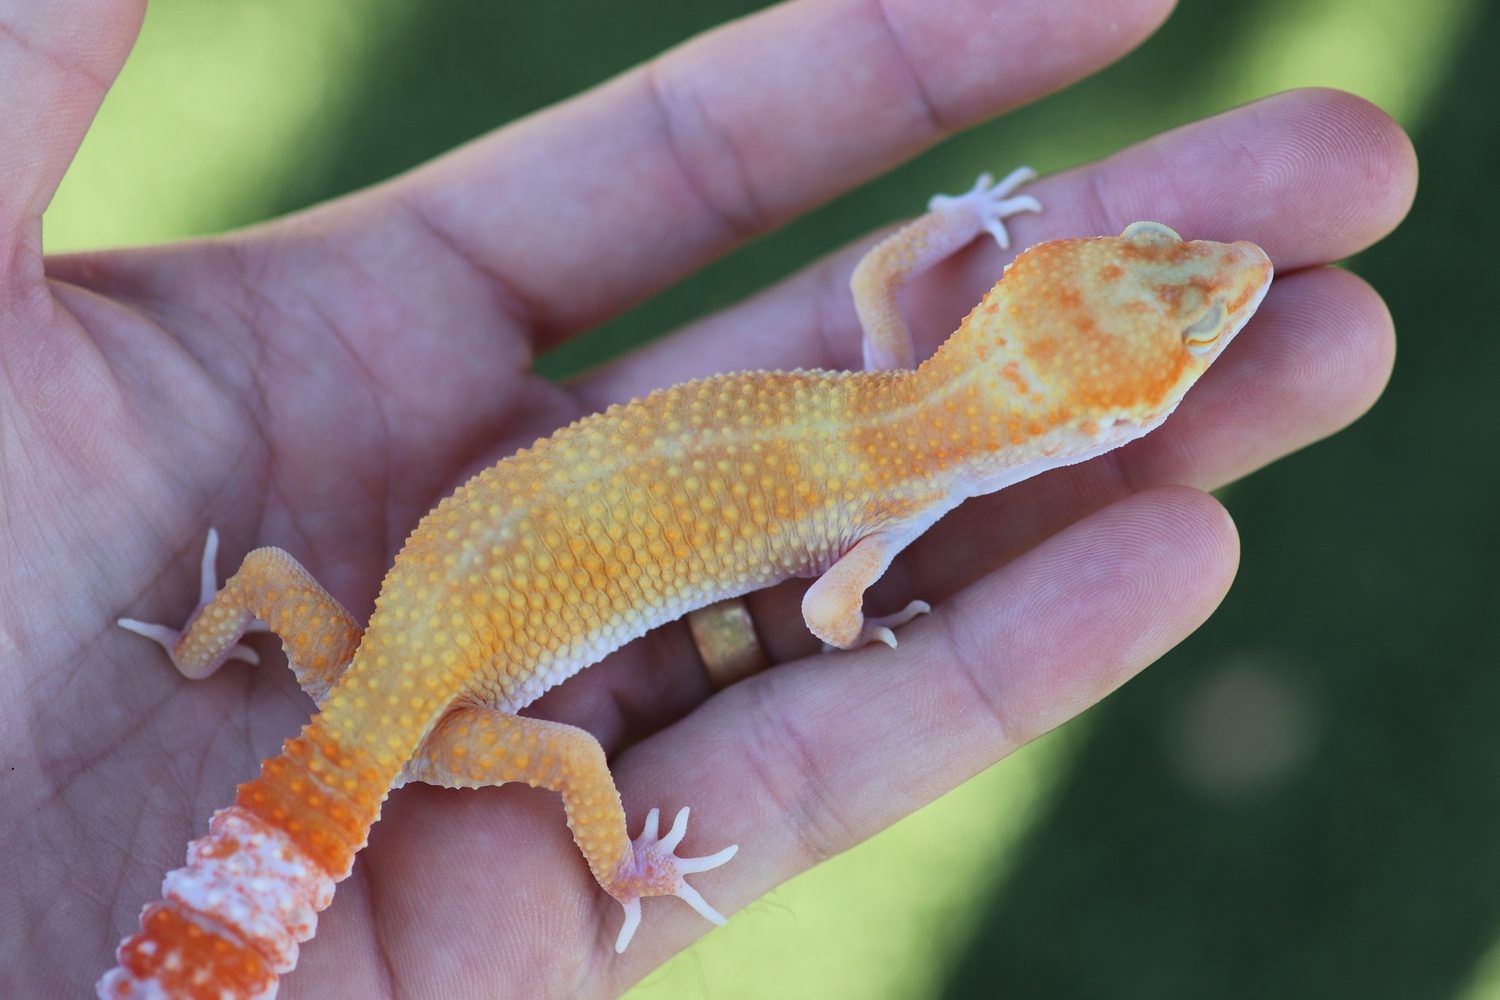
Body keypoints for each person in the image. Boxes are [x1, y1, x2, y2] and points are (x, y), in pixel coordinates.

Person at [0, 0, 1413, 995]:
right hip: (417, 718)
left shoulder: (897, 390)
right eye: (1194, 322)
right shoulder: (899, 485)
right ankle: (619, 877)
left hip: (393, 639)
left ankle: (204, 631)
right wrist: (643, 855)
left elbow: (876, 288)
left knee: (269, 598)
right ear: (1114, 413)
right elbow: (834, 605)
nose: (1216, 272)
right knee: (573, 762)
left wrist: (958, 229)